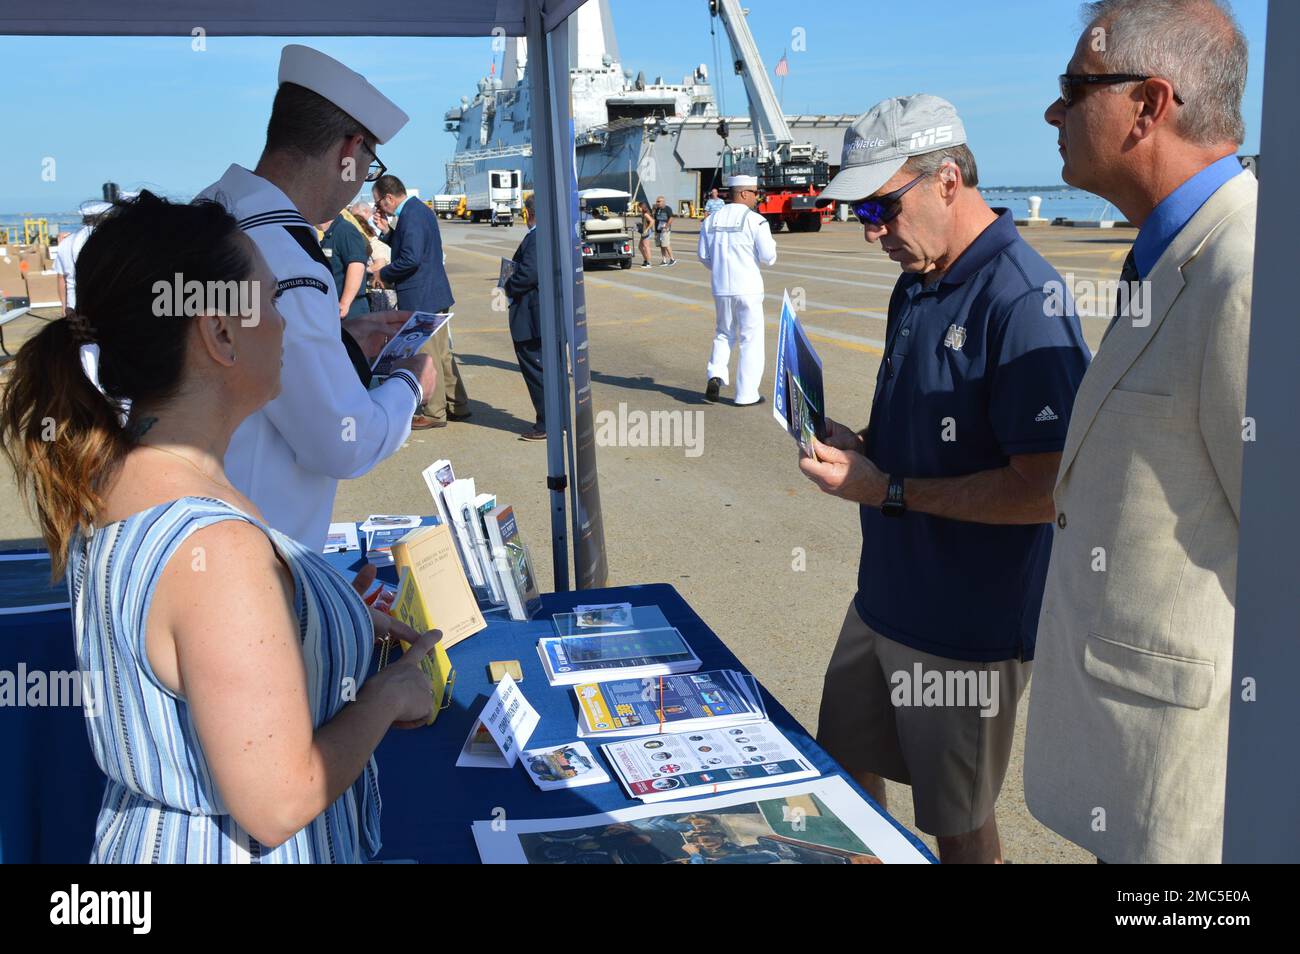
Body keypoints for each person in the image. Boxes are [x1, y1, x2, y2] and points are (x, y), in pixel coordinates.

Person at [0, 193, 440, 862]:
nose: (289, 326)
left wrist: (318, 617)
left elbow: (186, 641)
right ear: (221, 333)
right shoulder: (217, 549)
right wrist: (385, 697)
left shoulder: (113, 476)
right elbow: (278, 801)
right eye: (272, 301)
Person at [799, 94, 1091, 863]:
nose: (870, 228)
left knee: (956, 823)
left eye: (881, 204)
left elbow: (1045, 490)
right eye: (859, 208)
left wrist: (886, 490)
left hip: (965, 626)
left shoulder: (1024, 301)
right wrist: (859, 445)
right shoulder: (920, 277)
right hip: (887, 595)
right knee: (841, 774)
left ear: (949, 180)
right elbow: (927, 436)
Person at [1024, 0, 1255, 865]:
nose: (1053, 113)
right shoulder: (1171, 254)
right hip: (1131, 770)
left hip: (1190, 798)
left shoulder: (1244, 272)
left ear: (1150, 105)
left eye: (1073, 89)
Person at [198, 44, 436, 552]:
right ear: (349, 153)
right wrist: (409, 387)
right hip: (255, 554)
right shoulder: (287, 260)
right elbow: (341, 443)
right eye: (369, 166)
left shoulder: (208, 210)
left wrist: (339, 338)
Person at [371, 173, 471, 430]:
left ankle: (435, 412)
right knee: (443, 353)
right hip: (434, 293)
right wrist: (387, 233)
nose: (378, 208)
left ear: (389, 198)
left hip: (421, 296)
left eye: (379, 203)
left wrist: (383, 273)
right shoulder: (419, 210)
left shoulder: (410, 215)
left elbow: (410, 259)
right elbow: (414, 249)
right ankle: (457, 403)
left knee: (428, 356)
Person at [697, 174, 777, 406]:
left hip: (721, 288)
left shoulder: (710, 220)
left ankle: (716, 374)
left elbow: (703, 256)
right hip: (748, 288)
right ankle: (746, 394)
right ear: (743, 193)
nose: (757, 197)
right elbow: (768, 257)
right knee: (750, 339)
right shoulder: (756, 221)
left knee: (723, 333)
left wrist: (720, 268)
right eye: (754, 193)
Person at [504, 194, 547, 441]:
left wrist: (509, 285)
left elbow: (529, 273)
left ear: (528, 214)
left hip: (533, 318)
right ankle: (556, 419)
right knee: (551, 371)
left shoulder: (537, 237)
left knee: (536, 370)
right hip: (545, 316)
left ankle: (546, 422)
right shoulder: (553, 234)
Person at [52, 199, 110, 315]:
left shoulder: (66, 242)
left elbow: (61, 278)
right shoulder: (105, 239)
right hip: (101, 304)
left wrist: (64, 307)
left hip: (73, 305)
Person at [318, 213, 370, 319]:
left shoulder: (345, 230)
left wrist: (344, 303)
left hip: (350, 310)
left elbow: (356, 265)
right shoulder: (329, 235)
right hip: (335, 309)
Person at [652, 195, 676, 265]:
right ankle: (664, 260)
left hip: (665, 230)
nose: (657, 203)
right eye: (657, 201)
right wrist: (653, 210)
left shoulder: (667, 208)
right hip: (658, 230)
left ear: (663, 202)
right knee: (661, 245)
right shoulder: (657, 209)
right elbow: (654, 218)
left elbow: (671, 218)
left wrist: (666, 226)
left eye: (659, 201)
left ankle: (672, 259)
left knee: (666, 244)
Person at [638, 202, 655, 267]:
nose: (638, 208)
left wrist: (647, 229)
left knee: (646, 246)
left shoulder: (645, 214)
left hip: (647, 232)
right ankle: (646, 260)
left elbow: (652, 221)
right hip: (644, 231)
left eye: (639, 207)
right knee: (640, 246)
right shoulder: (644, 213)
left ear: (642, 207)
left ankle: (649, 262)